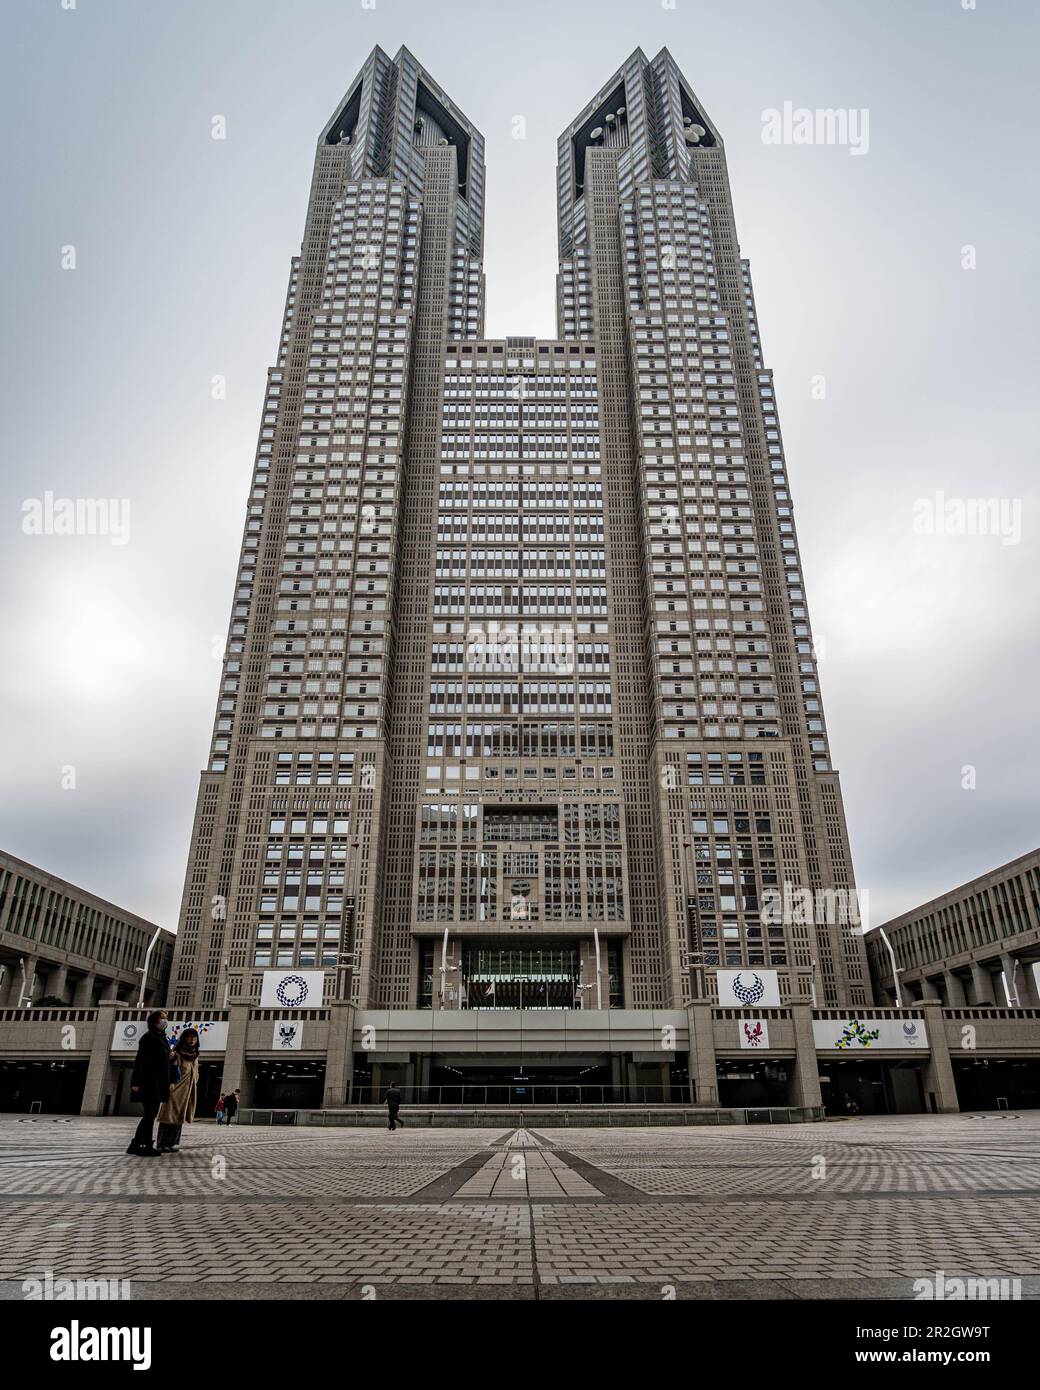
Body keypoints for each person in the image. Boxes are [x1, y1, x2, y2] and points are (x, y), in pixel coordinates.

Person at [126, 1010, 170, 1157]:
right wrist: (136, 1081)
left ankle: (136, 1144)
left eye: (166, 1018)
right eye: (162, 1018)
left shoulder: (161, 1037)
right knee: (150, 1113)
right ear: (155, 1021)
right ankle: (144, 1145)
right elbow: (140, 1061)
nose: (165, 1021)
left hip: (158, 1082)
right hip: (148, 1082)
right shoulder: (148, 1038)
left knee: (150, 1114)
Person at [156, 1028, 200, 1152]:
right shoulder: (177, 1053)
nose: (192, 1040)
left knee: (179, 1118)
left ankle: (172, 1143)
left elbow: (196, 1073)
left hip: (187, 1092)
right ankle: (162, 1144)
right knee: (168, 1117)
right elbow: (170, 1071)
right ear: (184, 1038)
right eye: (190, 1037)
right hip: (175, 1091)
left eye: (194, 1038)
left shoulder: (195, 1055)